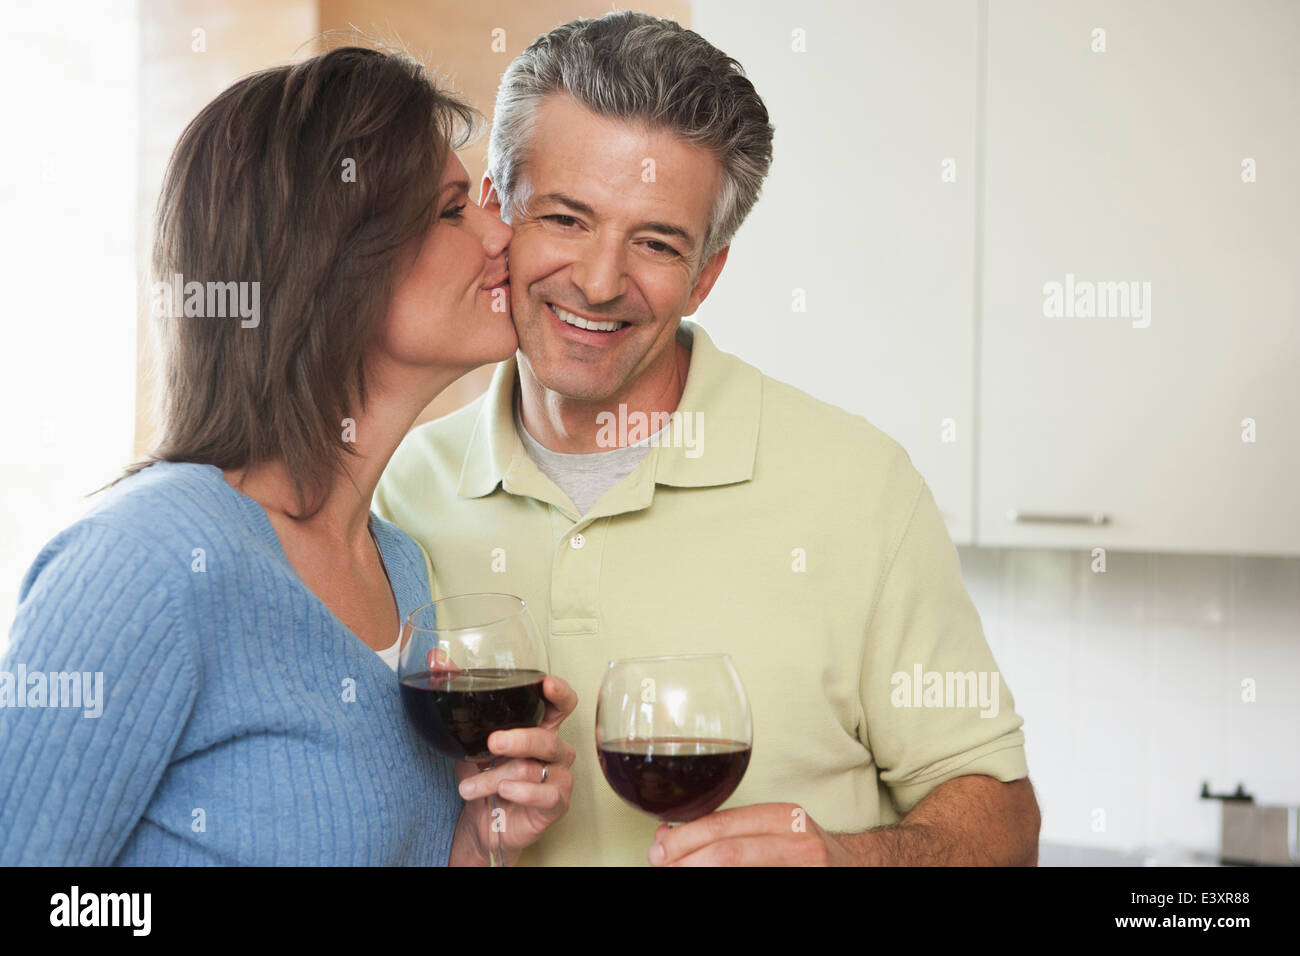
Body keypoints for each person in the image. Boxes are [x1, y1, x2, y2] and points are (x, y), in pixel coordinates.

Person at [375, 13, 1040, 866]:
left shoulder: (860, 488)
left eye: (656, 242)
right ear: (499, 211)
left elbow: (1006, 825)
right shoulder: (401, 495)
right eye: (568, 220)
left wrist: (848, 860)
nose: (600, 281)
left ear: (707, 274)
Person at [0, 44, 575, 866]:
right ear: (334, 263)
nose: (500, 233)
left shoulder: (402, 568)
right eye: (454, 210)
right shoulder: (148, 562)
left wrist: (483, 839)